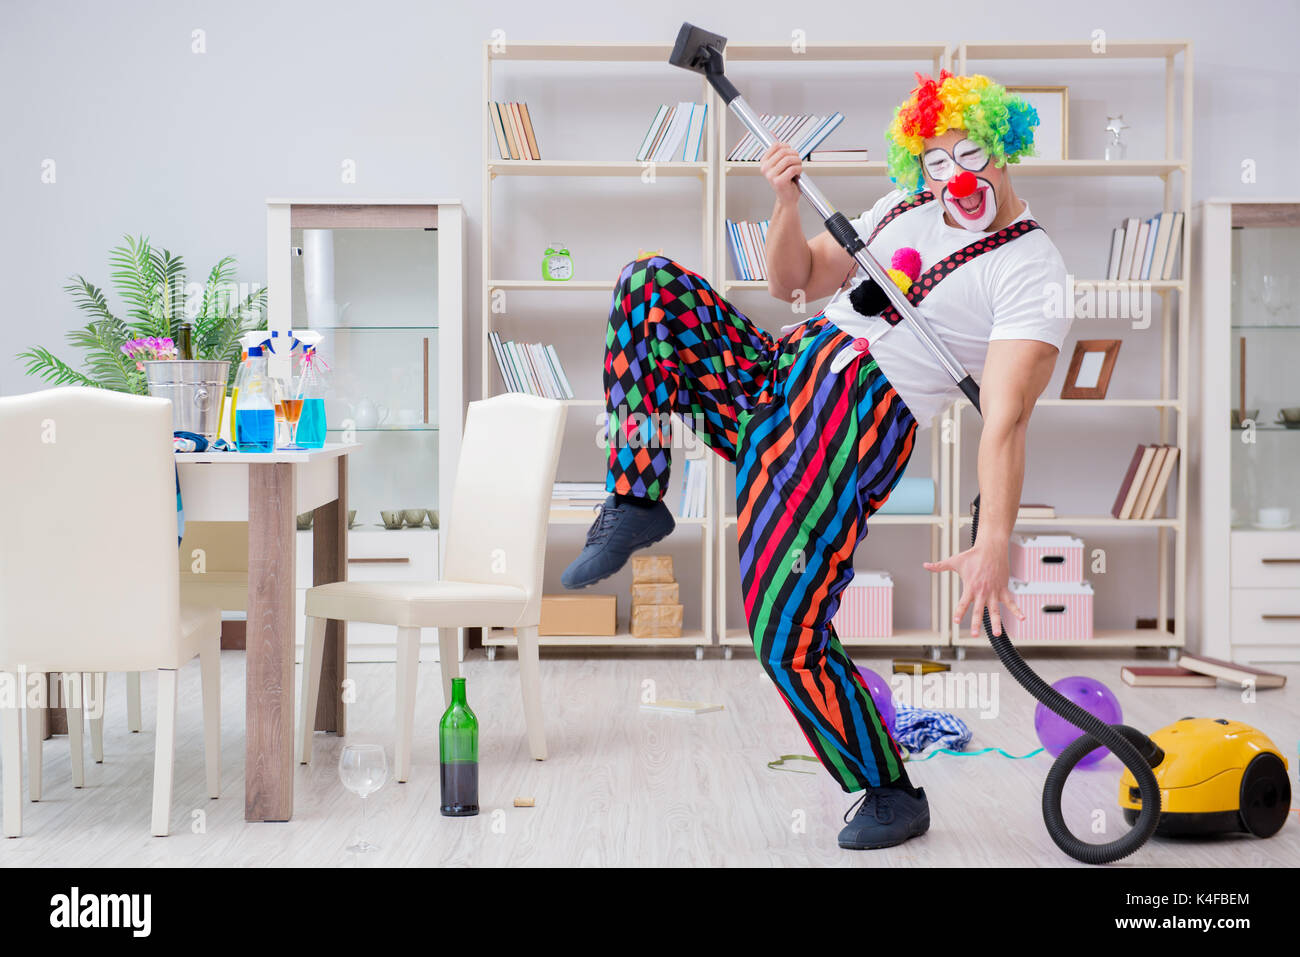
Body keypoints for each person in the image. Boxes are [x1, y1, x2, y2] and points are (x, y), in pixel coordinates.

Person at [562, 71, 1070, 849]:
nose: (953, 176)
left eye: (970, 154)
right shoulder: (901, 206)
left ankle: (889, 791)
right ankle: (637, 495)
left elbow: (1006, 419)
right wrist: (787, 201)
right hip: (781, 375)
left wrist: (995, 539)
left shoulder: (1032, 269)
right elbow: (791, 280)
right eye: (935, 161)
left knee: (781, 630)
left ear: (1005, 152)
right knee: (647, 287)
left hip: (845, 434)